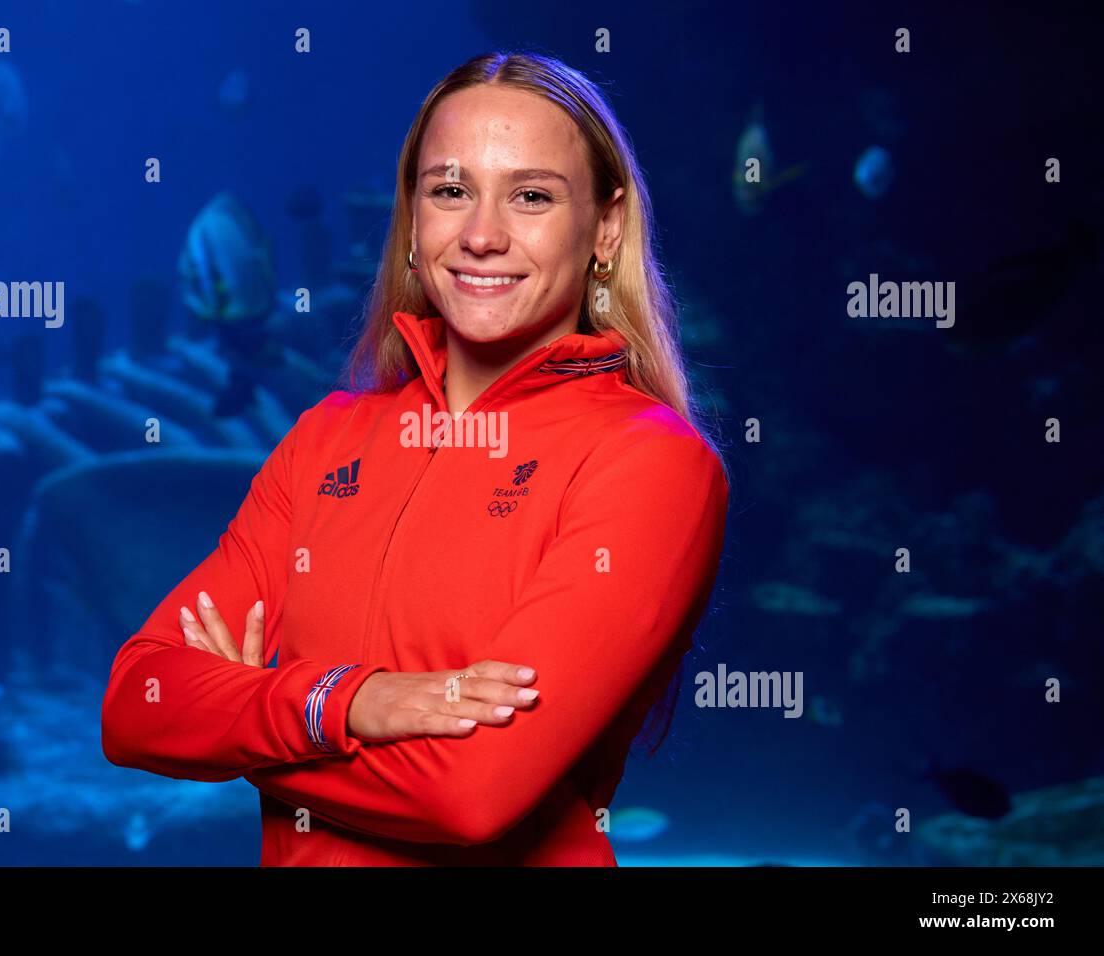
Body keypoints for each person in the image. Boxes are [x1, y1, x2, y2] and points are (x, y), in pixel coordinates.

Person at [101, 50, 730, 866]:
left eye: (531, 196)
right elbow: (136, 704)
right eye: (450, 190)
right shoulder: (326, 436)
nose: (480, 235)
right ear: (411, 215)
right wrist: (349, 701)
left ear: (605, 227)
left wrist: (238, 715)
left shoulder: (651, 464)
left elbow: (469, 796)